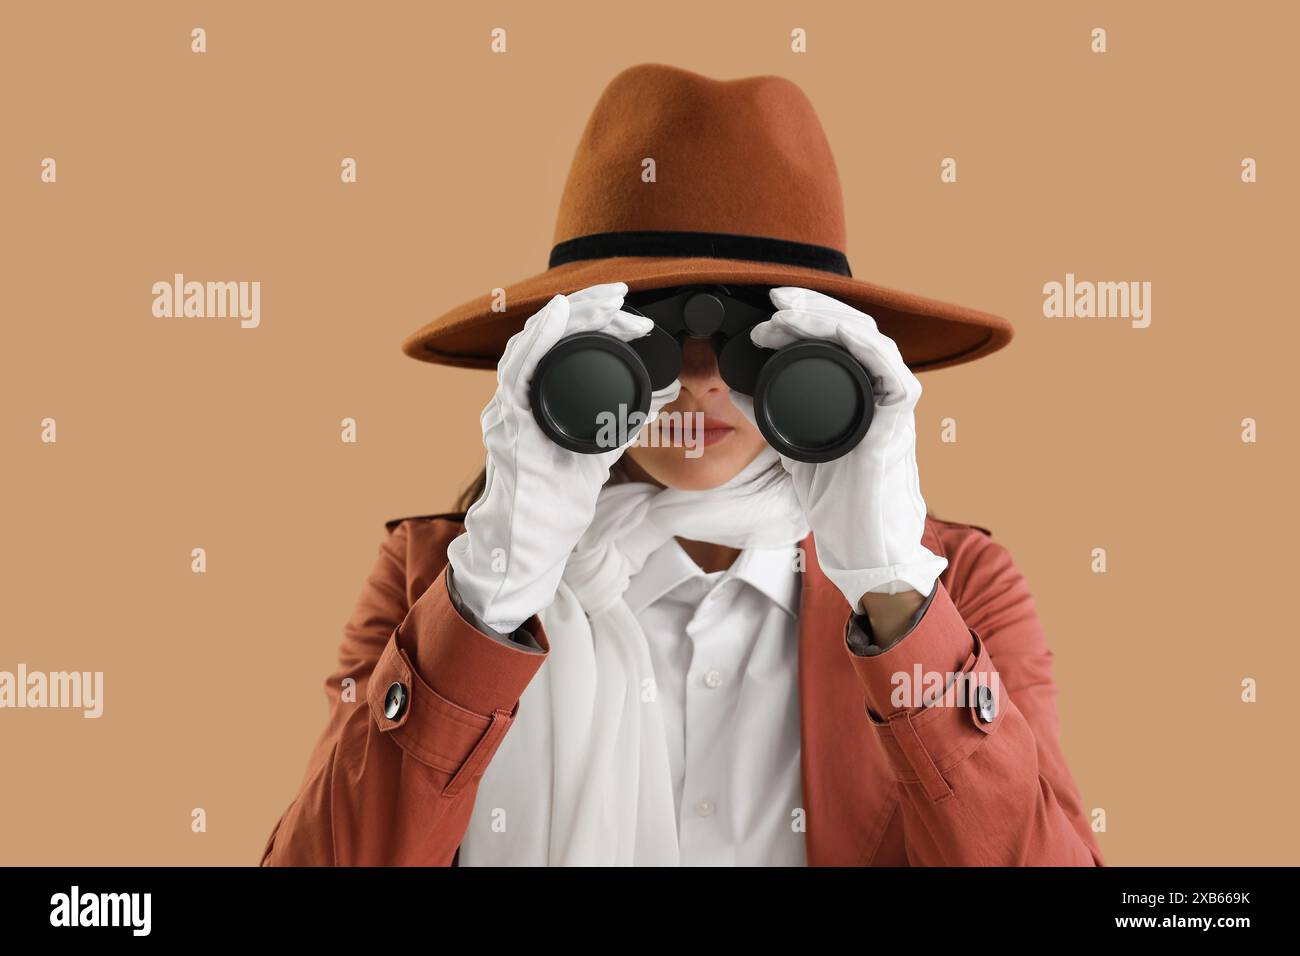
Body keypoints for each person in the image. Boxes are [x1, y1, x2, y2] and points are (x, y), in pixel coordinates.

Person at [260, 63, 1103, 867]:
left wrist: (894, 594)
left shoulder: (962, 588)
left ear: (833, 353)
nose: (700, 378)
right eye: (647, 333)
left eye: (755, 340)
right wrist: (491, 596)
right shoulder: (429, 577)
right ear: (568, 346)